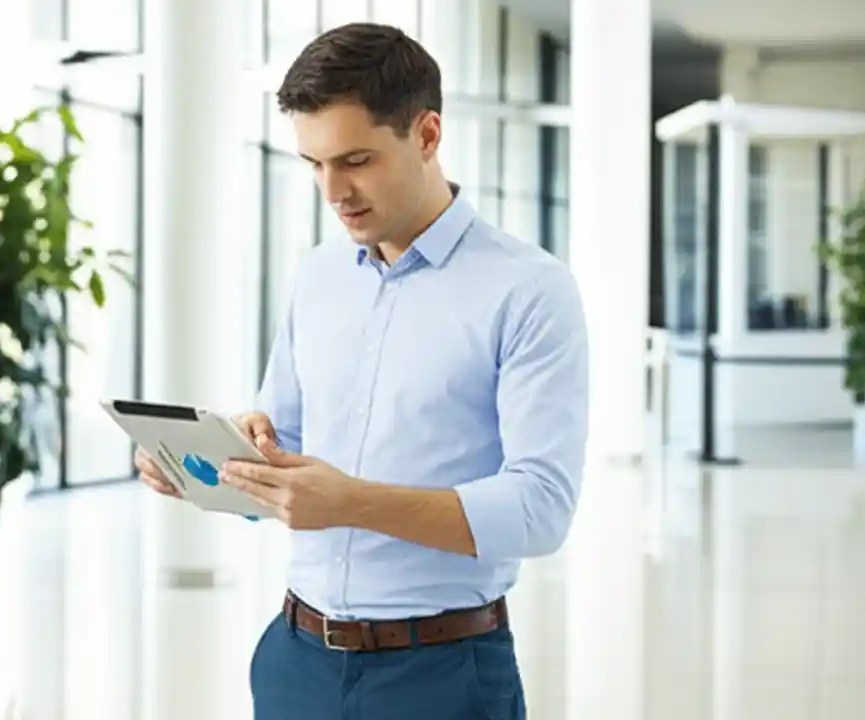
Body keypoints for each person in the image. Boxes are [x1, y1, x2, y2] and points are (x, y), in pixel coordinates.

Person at [134, 22, 588, 720]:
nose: (333, 190)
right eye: (314, 164)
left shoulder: (528, 289)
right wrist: (210, 465)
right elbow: (282, 447)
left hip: (442, 676)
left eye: (356, 160)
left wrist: (349, 502)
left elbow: (540, 509)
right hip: (294, 662)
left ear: (428, 135)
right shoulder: (317, 275)